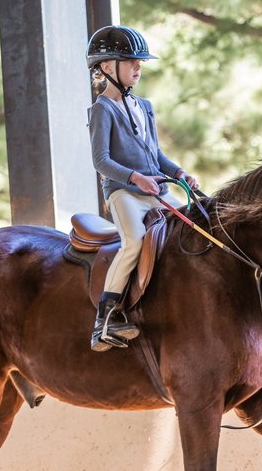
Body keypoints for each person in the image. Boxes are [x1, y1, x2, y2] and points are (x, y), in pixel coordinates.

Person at [85, 25, 199, 352]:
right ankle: (105, 317)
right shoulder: (102, 110)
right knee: (134, 241)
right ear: (107, 67)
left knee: (192, 226)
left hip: (157, 189)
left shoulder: (144, 106)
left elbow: (156, 154)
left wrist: (179, 172)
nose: (138, 67)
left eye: (140, 62)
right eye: (131, 61)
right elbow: (101, 161)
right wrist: (135, 179)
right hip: (124, 194)